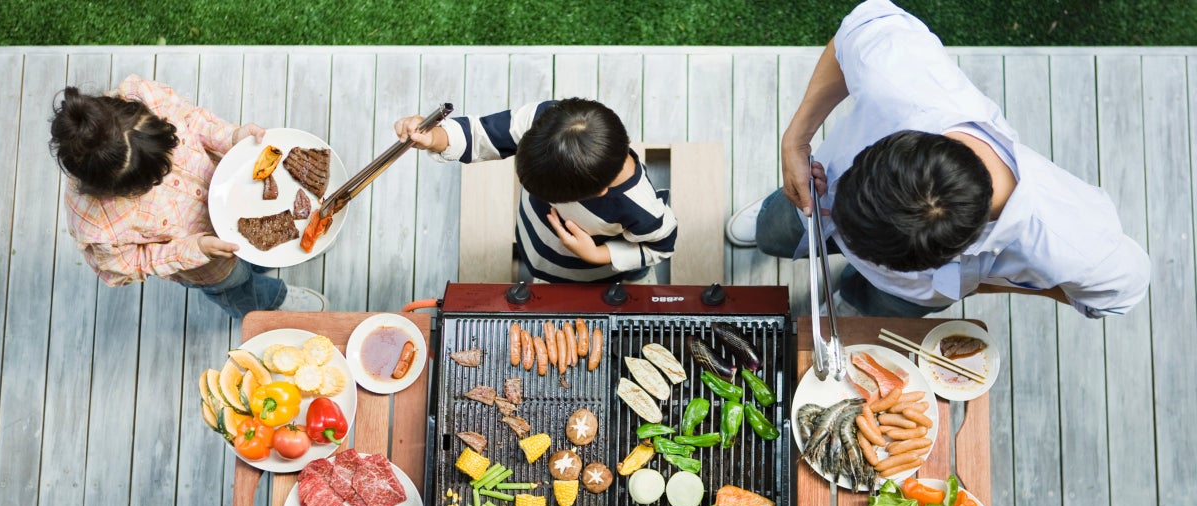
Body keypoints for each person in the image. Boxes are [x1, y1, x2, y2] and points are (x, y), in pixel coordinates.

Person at [726, 0, 1150, 318]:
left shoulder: (1074, 242)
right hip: (817, 191)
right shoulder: (905, 82)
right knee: (776, 229)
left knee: (866, 309)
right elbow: (860, 27)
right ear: (901, 144)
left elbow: (1119, 294)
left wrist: (992, 283)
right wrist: (796, 141)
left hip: (910, 293)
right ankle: (776, 229)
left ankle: (850, 301)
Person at [50, 75, 328, 317]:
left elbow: (193, 120)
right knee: (237, 285)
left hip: (242, 202)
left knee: (263, 249)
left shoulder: (143, 95)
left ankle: (266, 261)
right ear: (112, 189)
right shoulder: (96, 225)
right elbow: (129, 264)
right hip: (210, 263)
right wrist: (194, 250)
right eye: (155, 179)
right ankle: (270, 300)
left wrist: (232, 137)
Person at [394, 98, 677, 283]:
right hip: (536, 236)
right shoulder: (546, 121)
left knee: (632, 278)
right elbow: (482, 134)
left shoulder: (641, 209)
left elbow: (661, 247)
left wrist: (596, 255)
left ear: (599, 192)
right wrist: (435, 137)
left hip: (590, 268)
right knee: (536, 260)